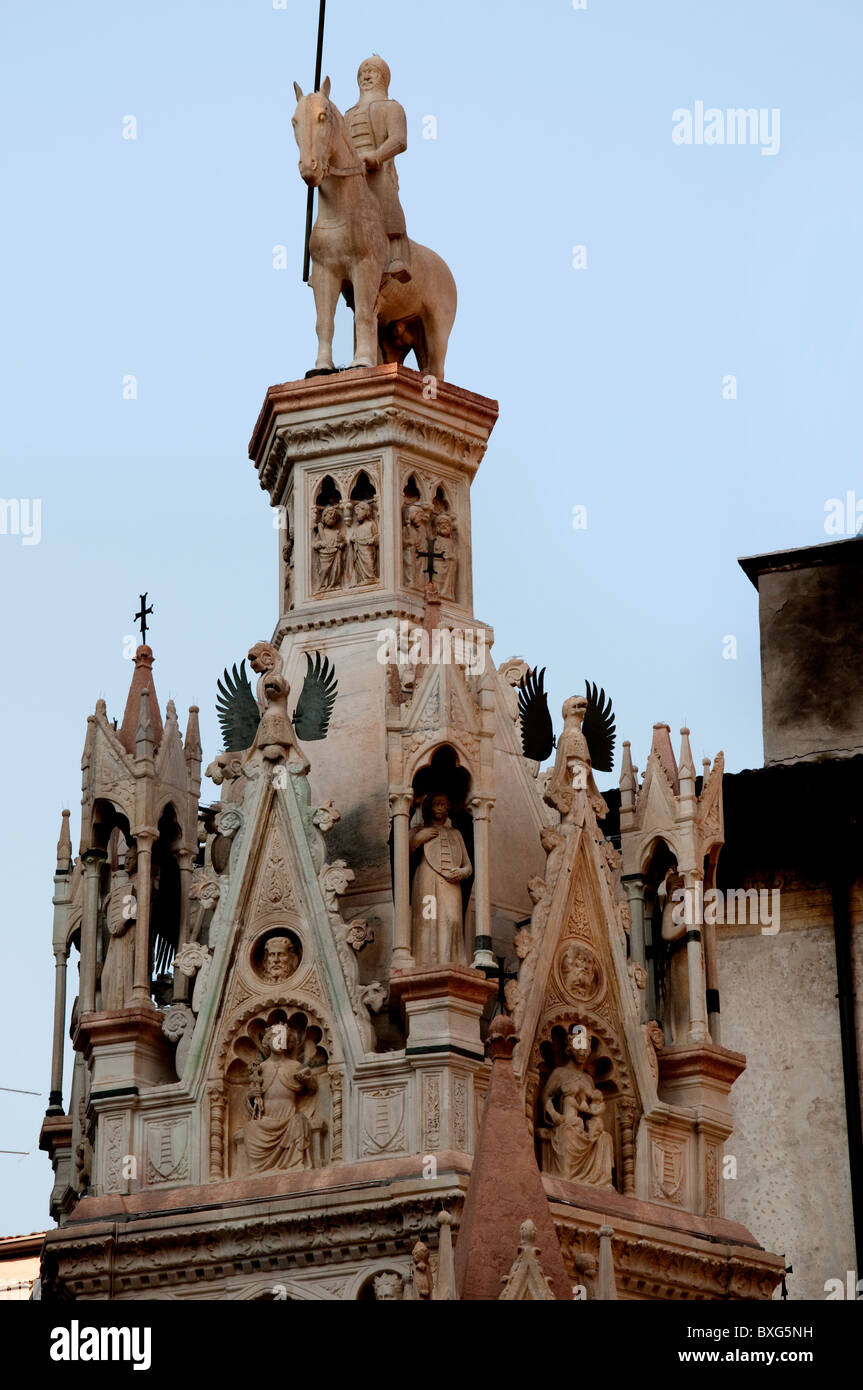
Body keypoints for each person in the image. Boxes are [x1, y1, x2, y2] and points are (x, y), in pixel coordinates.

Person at [345, 56, 412, 282]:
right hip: (350, 174)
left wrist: (377, 156)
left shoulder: (391, 107)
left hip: (377, 169)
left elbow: (399, 140)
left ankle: (397, 253)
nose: (365, 76)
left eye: (371, 71)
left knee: (385, 197)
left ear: (383, 77)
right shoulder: (347, 115)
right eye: (362, 72)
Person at [541, 1028, 614, 1187]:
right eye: (578, 1047)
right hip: (566, 1123)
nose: (583, 1052)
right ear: (569, 1049)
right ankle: (566, 1177)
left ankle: (601, 1181)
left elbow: (593, 1104)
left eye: (586, 1048)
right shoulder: (559, 1073)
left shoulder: (588, 1079)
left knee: (605, 1138)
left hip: (583, 1126)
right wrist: (554, 1115)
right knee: (567, 1132)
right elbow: (545, 1097)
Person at [243, 1025, 317, 1172]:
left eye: (282, 1038)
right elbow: (251, 1098)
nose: (279, 1041)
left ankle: (294, 1164)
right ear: (268, 1041)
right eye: (276, 1037)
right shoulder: (261, 1069)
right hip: (267, 1120)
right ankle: (258, 1168)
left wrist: (307, 1080)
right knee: (250, 1128)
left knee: (298, 1122)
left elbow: (313, 1089)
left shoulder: (294, 1066)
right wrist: (251, 1096)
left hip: (288, 1119)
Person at [409, 793, 472, 964]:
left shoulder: (456, 833)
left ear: (448, 808)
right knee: (428, 918)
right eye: (436, 803)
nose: (439, 807)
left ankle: (450, 962)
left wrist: (461, 872)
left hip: (451, 881)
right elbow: (402, 853)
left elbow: (468, 866)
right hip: (427, 879)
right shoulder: (418, 830)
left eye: (443, 804)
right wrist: (417, 838)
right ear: (429, 807)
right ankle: (427, 962)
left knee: (453, 920)